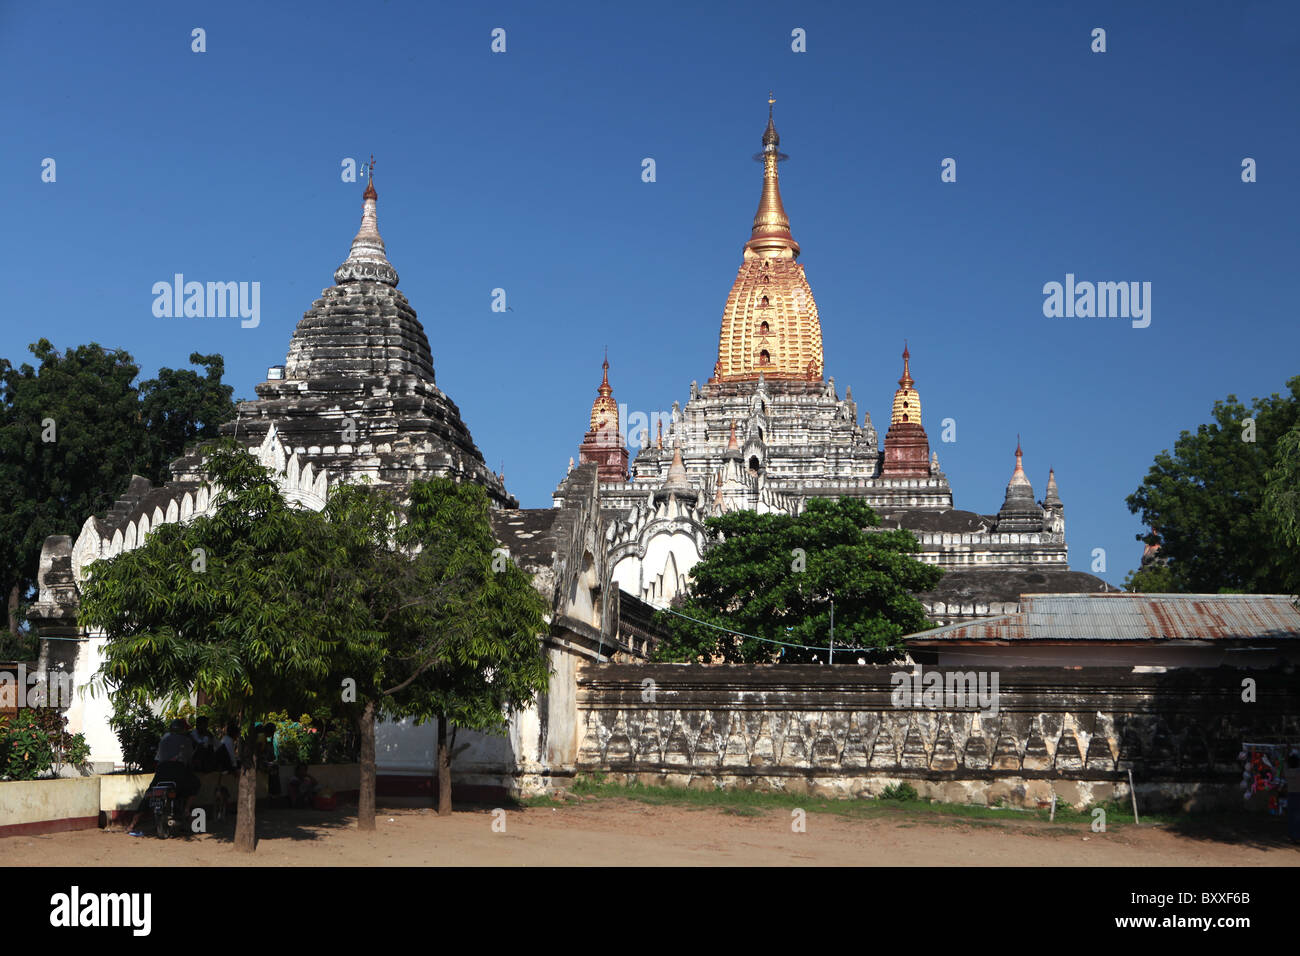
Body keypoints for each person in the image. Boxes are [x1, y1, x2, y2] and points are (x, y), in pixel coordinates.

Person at [127, 719, 201, 836]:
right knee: (196, 784)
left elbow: (158, 759)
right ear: (182, 730)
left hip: (161, 771)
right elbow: (188, 760)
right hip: (178, 770)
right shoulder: (186, 741)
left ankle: (132, 824)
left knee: (149, 793)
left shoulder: (164, 740)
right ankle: (187, 810)